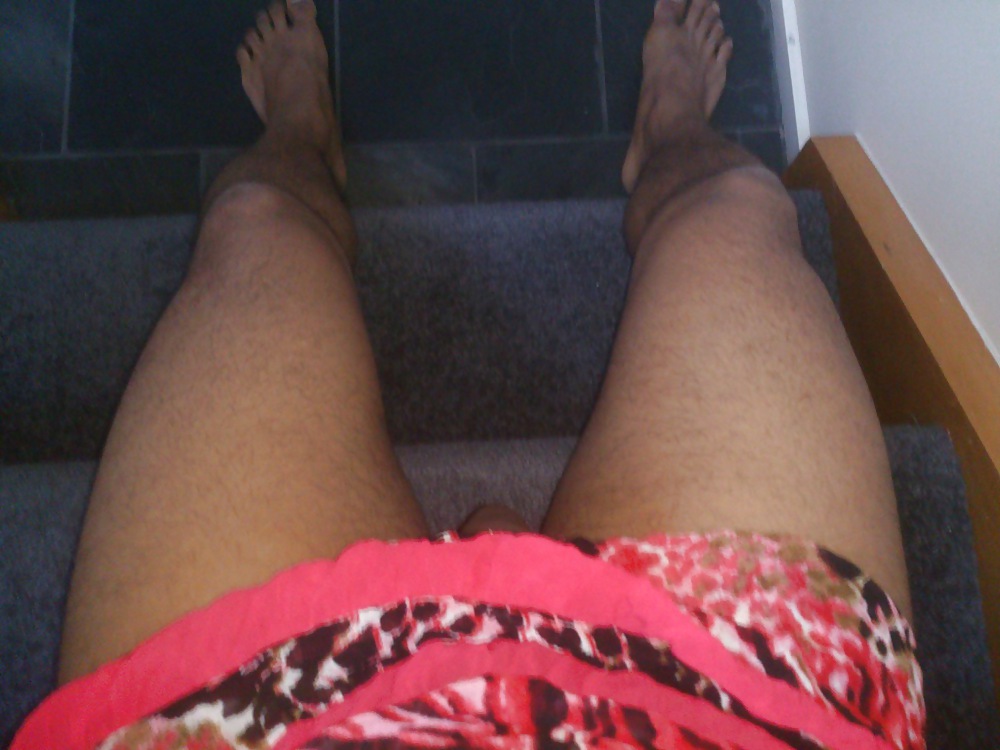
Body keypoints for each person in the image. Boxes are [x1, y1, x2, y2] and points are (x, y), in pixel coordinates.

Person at [13, 0, 925, 747]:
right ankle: (674, 129)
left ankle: (300, 137)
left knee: (256, 223)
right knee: (736, 205)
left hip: (242, 715)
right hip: (751, 703)